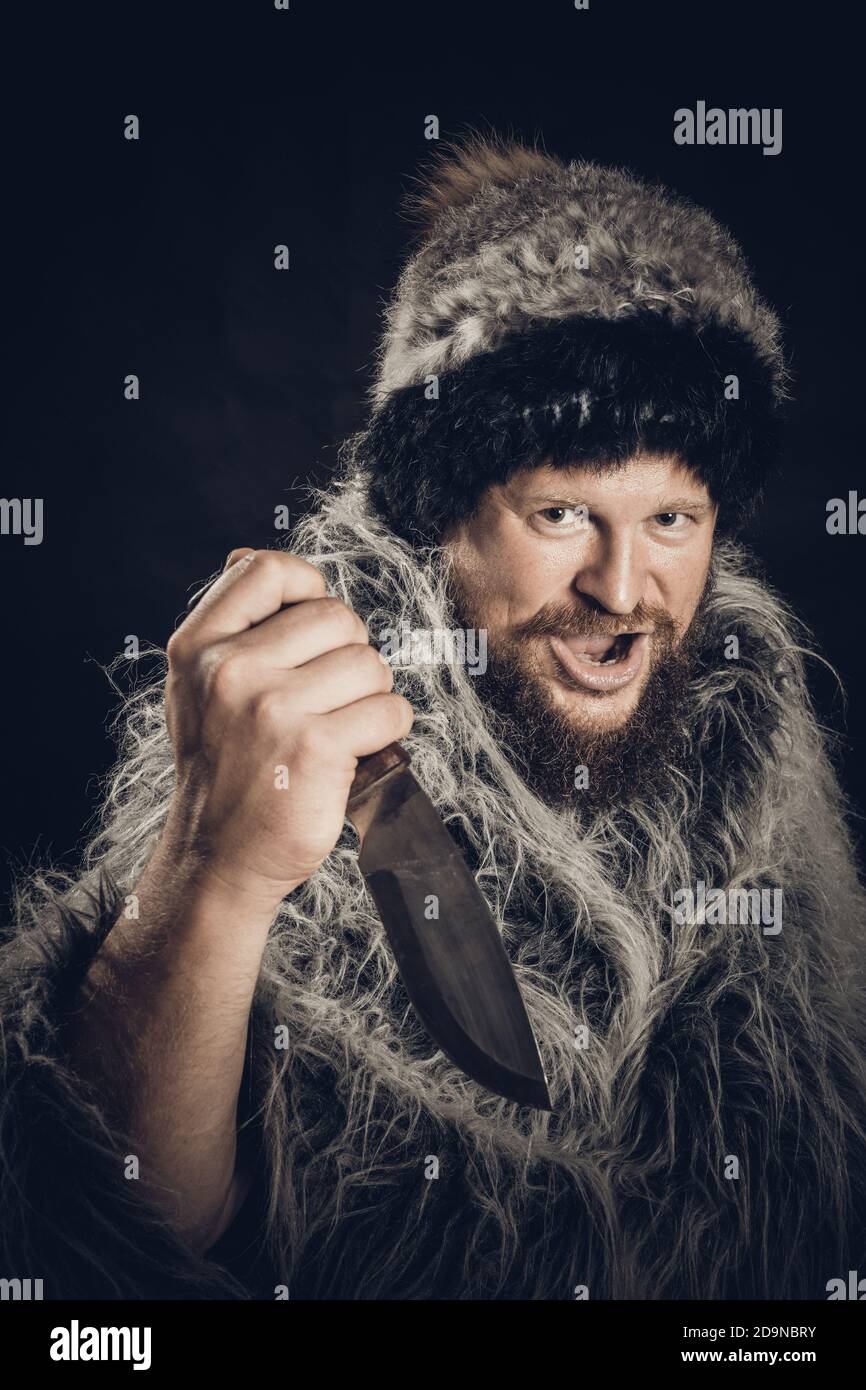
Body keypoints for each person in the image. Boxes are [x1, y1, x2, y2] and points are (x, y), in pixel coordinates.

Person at [2, 133, 865, 1301]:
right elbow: (118, 1228)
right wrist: (213, 871)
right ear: (436, 510)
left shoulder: (753, 743)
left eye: (670, 519)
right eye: (560, 512)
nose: (623, 593)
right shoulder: (283, 721)